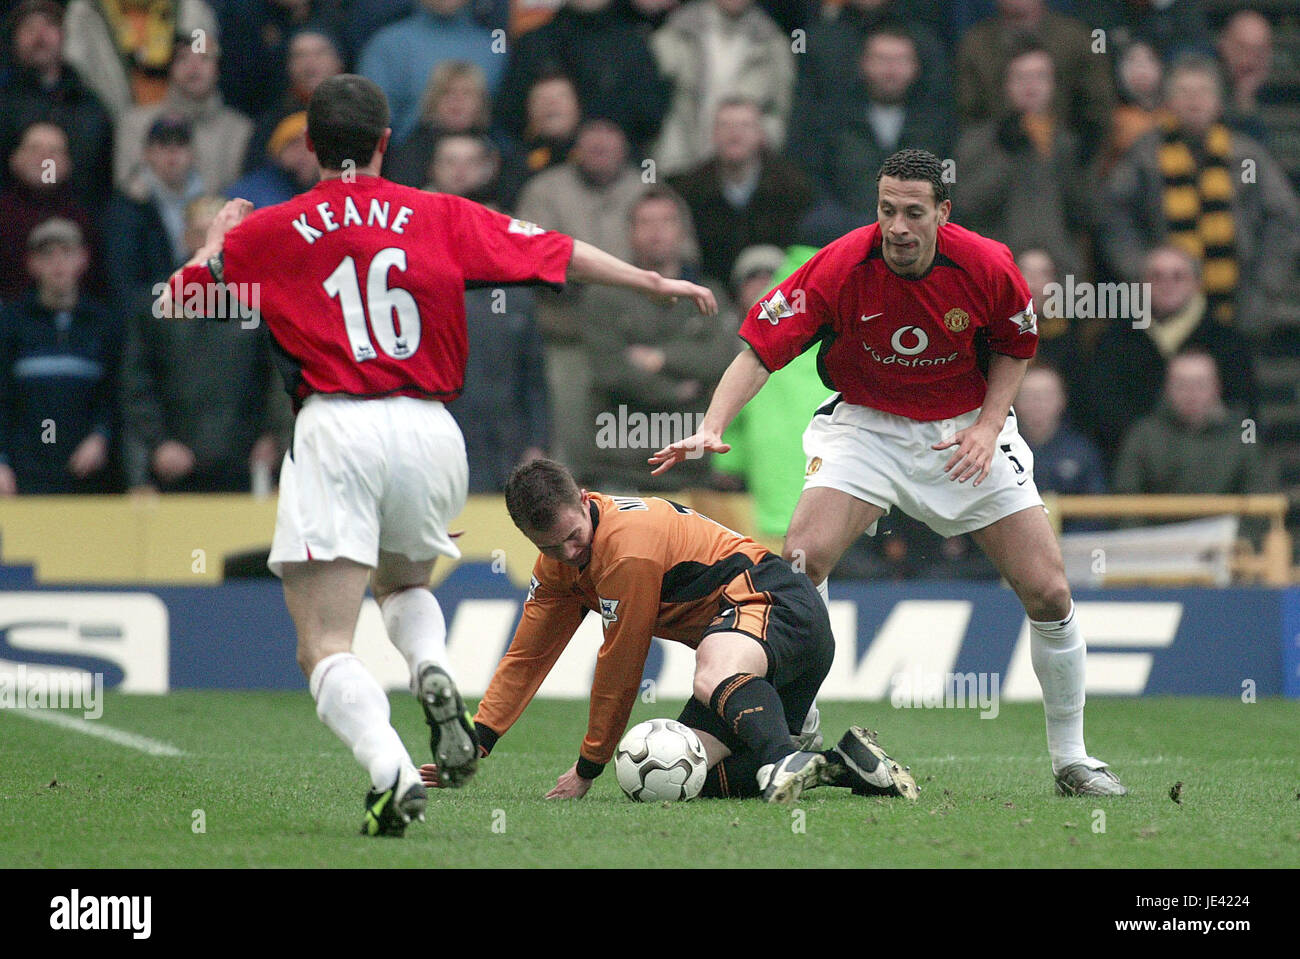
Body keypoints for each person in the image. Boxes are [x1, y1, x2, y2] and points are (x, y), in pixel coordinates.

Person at [157, 74, 718, 836]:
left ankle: (391, 775)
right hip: (429, 428)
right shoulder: (439, 213)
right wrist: (650, 279)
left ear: (311, 147)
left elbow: (179, 302)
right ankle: (430, 669)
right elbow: (551, 250)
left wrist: (220, 239)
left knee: (322, 642)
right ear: (386, 143)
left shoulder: (277, 228)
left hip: (338, 423)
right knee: (401, 585)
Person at [651, 148, 1129, 797]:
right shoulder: (842, 263)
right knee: (801, 557)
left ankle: (1071, 757)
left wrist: (989, 427)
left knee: (1049, 592)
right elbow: (759, 351)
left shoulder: (987, 265)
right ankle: (800, 711)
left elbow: (1018, 346)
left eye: (912, 212)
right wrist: (713, 422)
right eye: (886, 211)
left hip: (962, 426)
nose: (897, 227)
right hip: (868, 424)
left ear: (942, 212)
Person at [419, 458, 918, 804]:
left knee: (710, 671)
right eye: (552, 547)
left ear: (583, 500)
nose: (569, 553)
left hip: (778, 604)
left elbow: (620, 664)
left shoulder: (627, 549)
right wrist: (475, 742)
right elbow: (527, 658)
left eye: (573, 537)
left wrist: (588, 766)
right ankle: (843, 765)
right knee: (688, 775)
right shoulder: (560, 570)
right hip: (758, 651)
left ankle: (783, 757)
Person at [0, 218, 120, 495]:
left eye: (67, 253)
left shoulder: (103, 323)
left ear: (83, 260)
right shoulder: (12, 323)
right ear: (32, 263)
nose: (58, 263)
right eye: (47, 254)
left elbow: (115, 392)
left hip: (90, 474)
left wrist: (101, 437)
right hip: (24, 476)